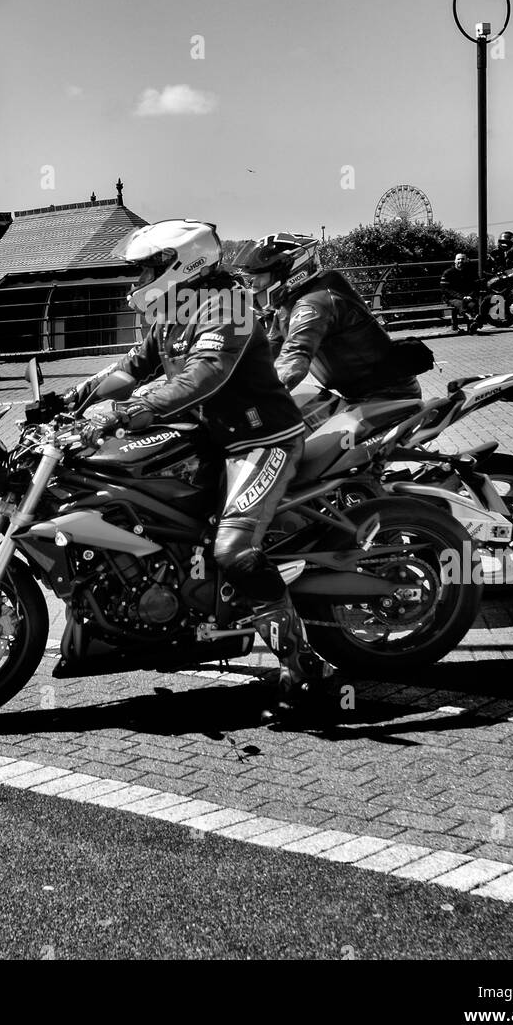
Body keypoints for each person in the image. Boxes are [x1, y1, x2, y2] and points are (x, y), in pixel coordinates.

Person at [62, 218, 333, 697]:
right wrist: (74, 399)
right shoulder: (174, 309)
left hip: (259, 440)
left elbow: (204, 375)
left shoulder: (227, 308)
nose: (139, 280)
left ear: (180, 264)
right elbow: (133, 366)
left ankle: (304, 667)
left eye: (148, 269)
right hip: (209, 440)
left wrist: (128, 412)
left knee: (233, 550)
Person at [233, 233, 427, 402]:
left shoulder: (315, 302)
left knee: (315, 442)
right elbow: (267, 353)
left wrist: (252, 401)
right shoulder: (287, 306)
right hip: (356, 395)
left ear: (288, 271)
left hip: (388, 395)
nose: (254, 286)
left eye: (259, 277)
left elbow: (293, 360)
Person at [440, 252, 481, 333]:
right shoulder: (448, 272)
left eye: (463, 259)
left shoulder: (471, 272)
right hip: (452, 298)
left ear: (466, 260)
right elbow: (446, 290)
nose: (460, 261)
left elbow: (476, 286)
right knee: (461, 304)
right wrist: (462, 297)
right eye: (458, 259)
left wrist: (470, 296)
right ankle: (472, 320)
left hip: (468, 296)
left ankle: (472, 328)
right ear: (455, 261)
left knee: (473, 305)